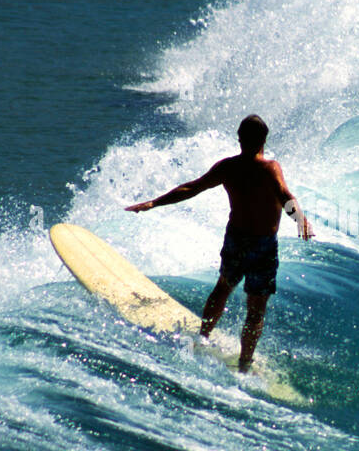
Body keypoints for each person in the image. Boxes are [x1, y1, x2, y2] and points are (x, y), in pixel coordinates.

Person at [125, 115, 313, 371]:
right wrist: (301, 221)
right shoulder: (270, 168)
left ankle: (202, 338)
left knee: (223, 287)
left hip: (236, 238)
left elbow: (191, 188)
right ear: (264, 141)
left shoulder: (228, 167)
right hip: (263, 245)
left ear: (240, 139)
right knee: (256, 308)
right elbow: (284, 195)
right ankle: (244, 363)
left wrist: (154, 202)